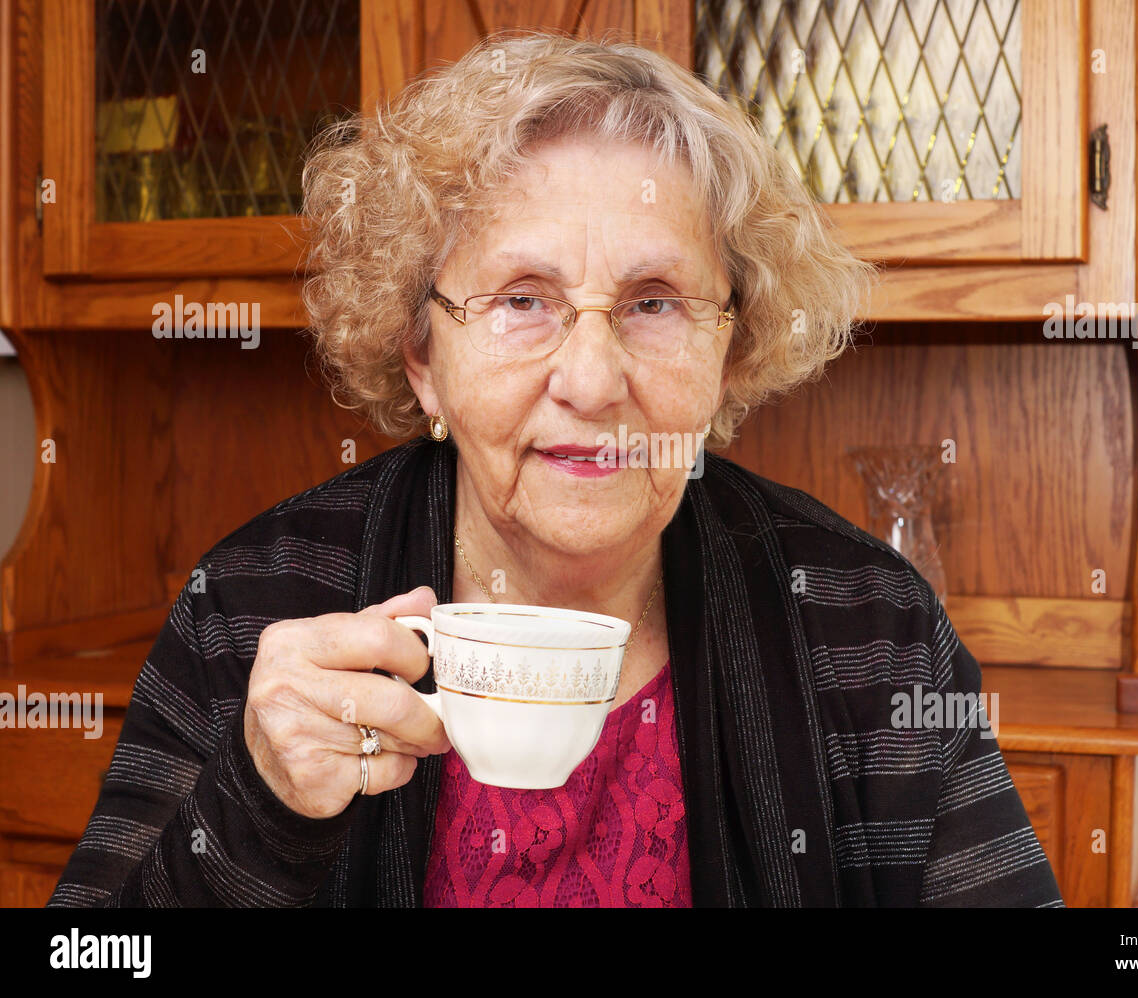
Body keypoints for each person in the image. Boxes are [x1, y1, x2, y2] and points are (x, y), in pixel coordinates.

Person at [49, 30, 1063, 907]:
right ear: (422, 358)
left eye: (655, 300)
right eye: (522, 298)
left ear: (729, 349)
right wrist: (254, 806)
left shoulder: (865, 624)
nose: (590, 377)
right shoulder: (251, 605)